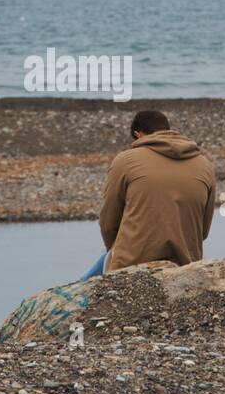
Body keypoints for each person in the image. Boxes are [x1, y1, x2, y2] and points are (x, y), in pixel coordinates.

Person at [79, 109, 216, 279]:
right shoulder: (205, 165)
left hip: (131, 263)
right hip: (186, 263)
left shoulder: (125, 161)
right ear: (167, 130)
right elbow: (203, 230)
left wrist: (114, 250)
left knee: (83, 284)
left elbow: (108, 221)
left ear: (138, 134)